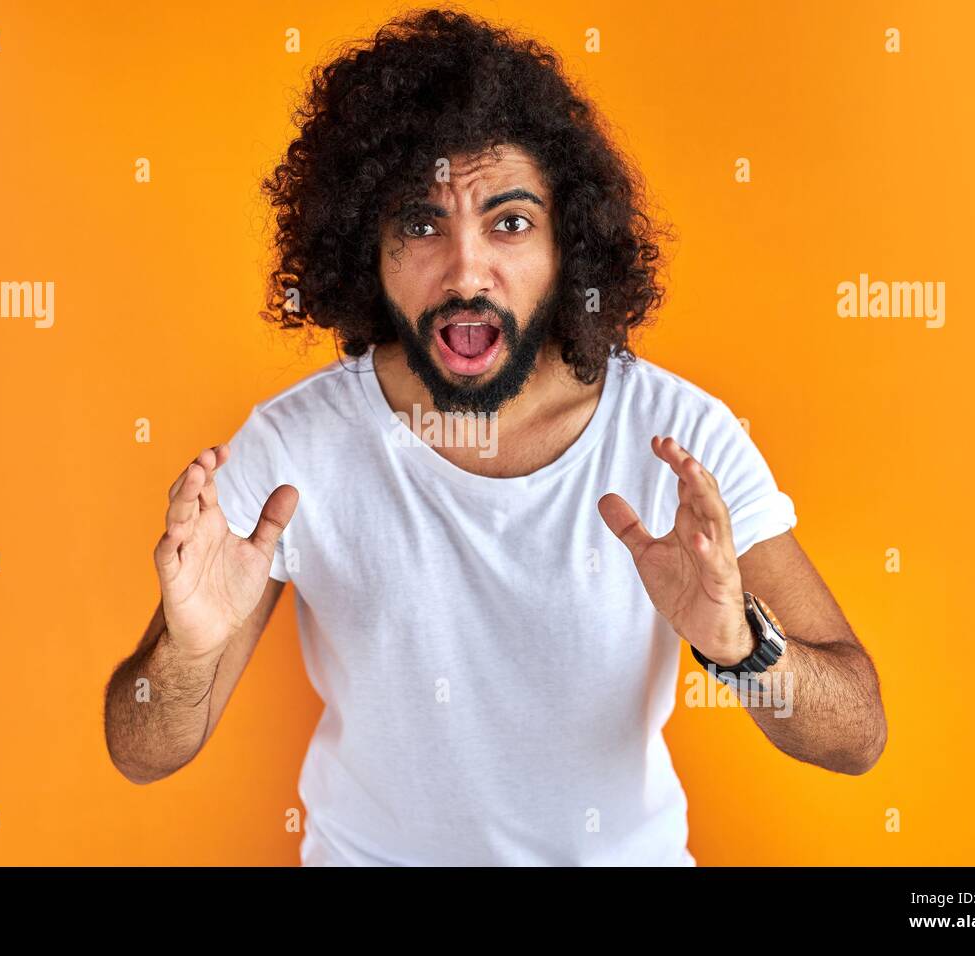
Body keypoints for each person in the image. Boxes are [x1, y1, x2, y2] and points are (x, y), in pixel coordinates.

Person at [103, 8, 886, 866]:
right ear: (368, 247)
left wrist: (740, 643)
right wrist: (191, 648)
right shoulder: (294, 448)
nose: (467, 270)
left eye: (509, 223)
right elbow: (142, 751)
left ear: (567, 245)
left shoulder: (677, 437)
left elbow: (857, 734)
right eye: (421, 223)